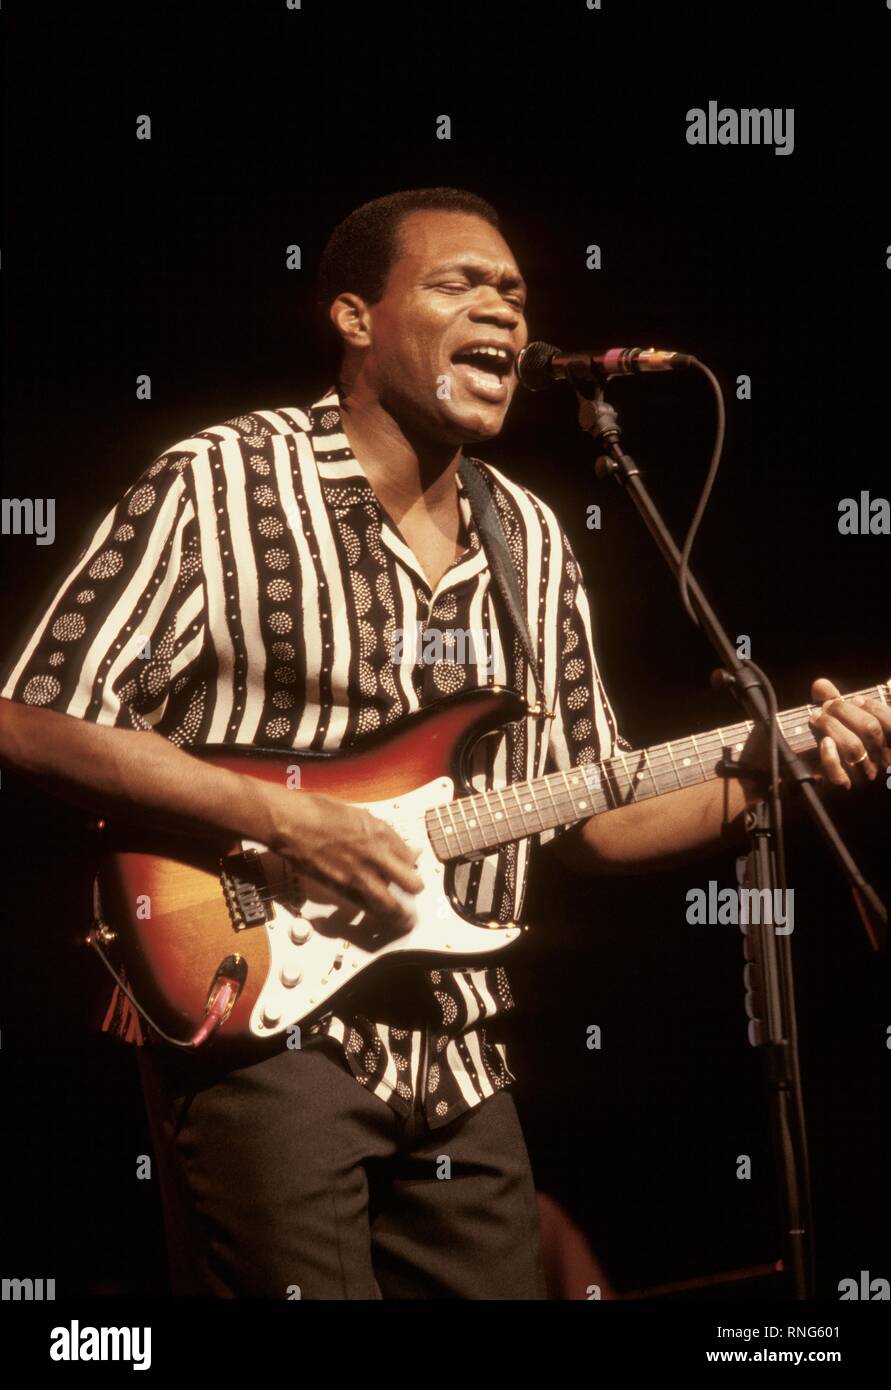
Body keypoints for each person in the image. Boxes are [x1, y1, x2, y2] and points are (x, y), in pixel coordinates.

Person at [1, 187, 887, 1299]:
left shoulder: (533, 539)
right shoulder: (225, 481)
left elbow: (595, 816)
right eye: (459, 283)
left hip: (464, 1056)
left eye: (514, 292)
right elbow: (33, 718)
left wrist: (781, 759)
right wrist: (288, 820)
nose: (504, 312)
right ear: (355, 318)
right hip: (264, 1031)